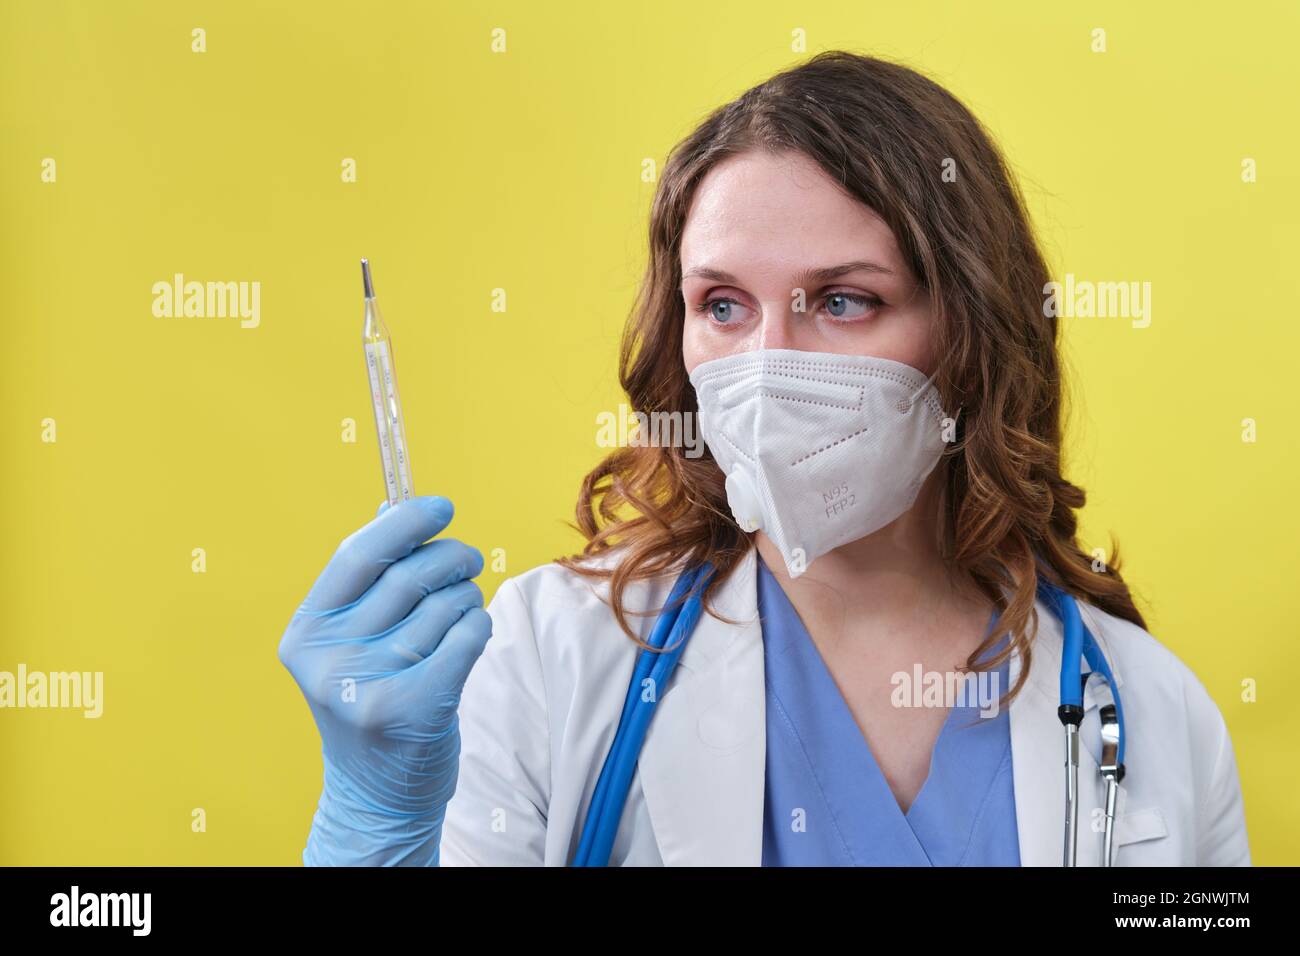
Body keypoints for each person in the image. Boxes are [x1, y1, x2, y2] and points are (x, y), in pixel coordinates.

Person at [278, 51, 1249, 866]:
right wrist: (376, 826)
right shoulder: (552, 655)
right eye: (724, 304)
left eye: (841, 300)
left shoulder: (1148, 708)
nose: (766, 365)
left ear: (971, 333)